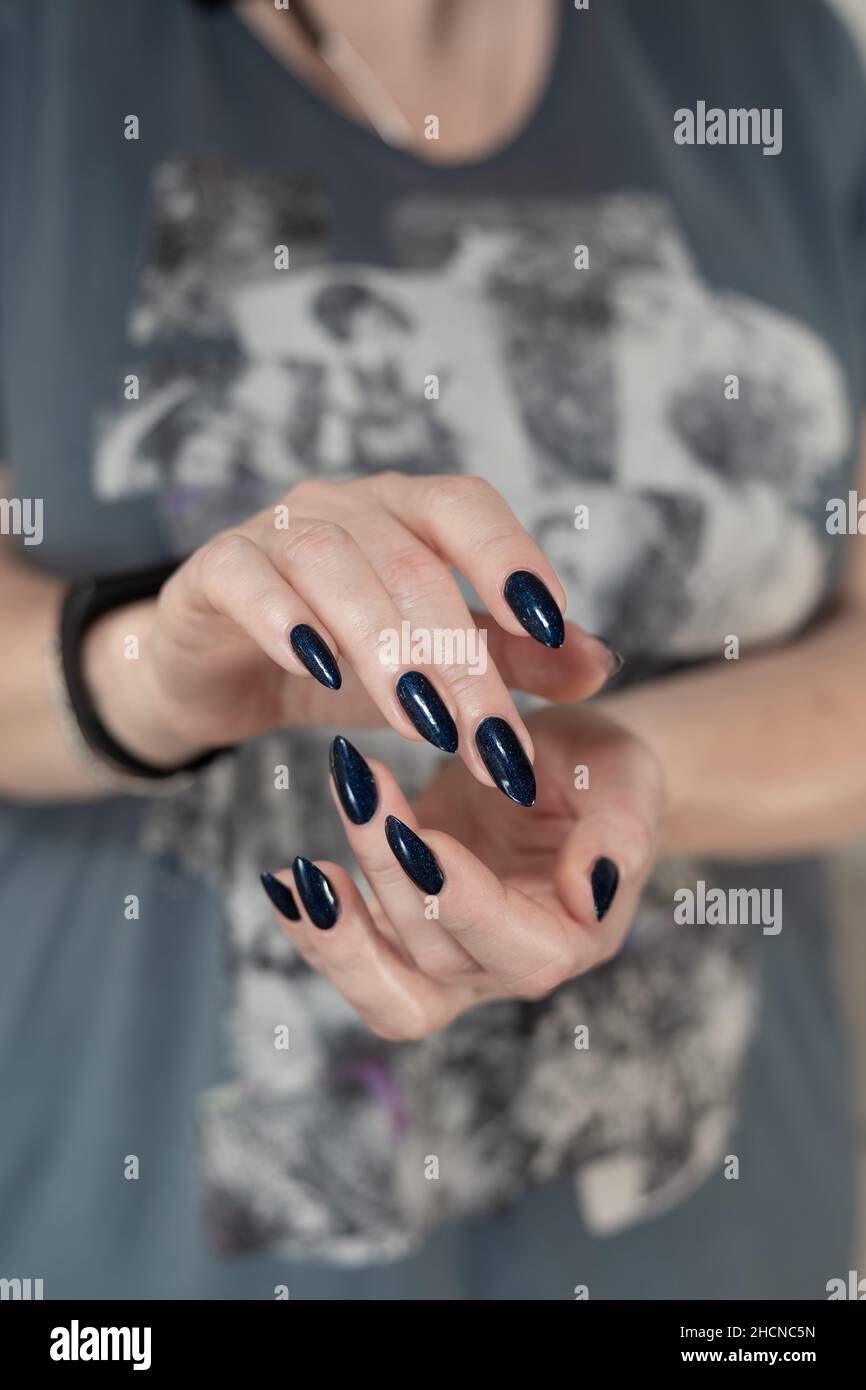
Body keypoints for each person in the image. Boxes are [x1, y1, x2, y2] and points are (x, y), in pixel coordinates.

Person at [0, 0, 864, 1299]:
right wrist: (150, 673)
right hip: (152, 1265)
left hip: (722, 1258)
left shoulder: (776, 53)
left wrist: (603, 785)